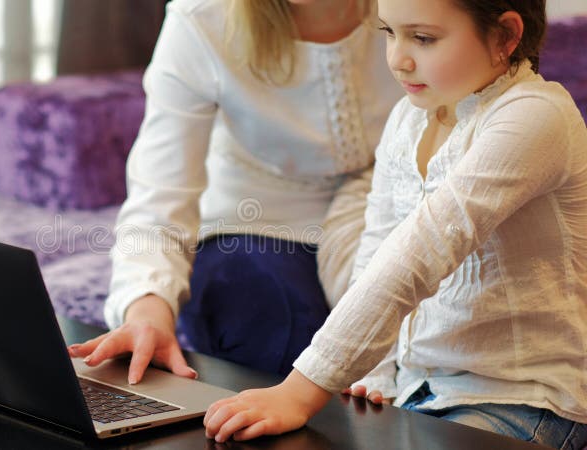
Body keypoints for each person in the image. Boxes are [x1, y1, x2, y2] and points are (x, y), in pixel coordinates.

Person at [203, 0, 587, 446]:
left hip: (521, 400)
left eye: (422, 38)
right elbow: (377, 252)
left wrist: (299, 390)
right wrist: (376, 374)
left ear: (505, 36)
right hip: (419, 391)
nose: (397, 59)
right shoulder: (408, 118)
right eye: (388, 32)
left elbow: (417, 255)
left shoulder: (535, 117)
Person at [68, 0, 403, 381]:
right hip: (253, 226)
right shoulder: (202, 19)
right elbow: (158, 199)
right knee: (284, 339)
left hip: (395, 210)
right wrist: (147, 312)